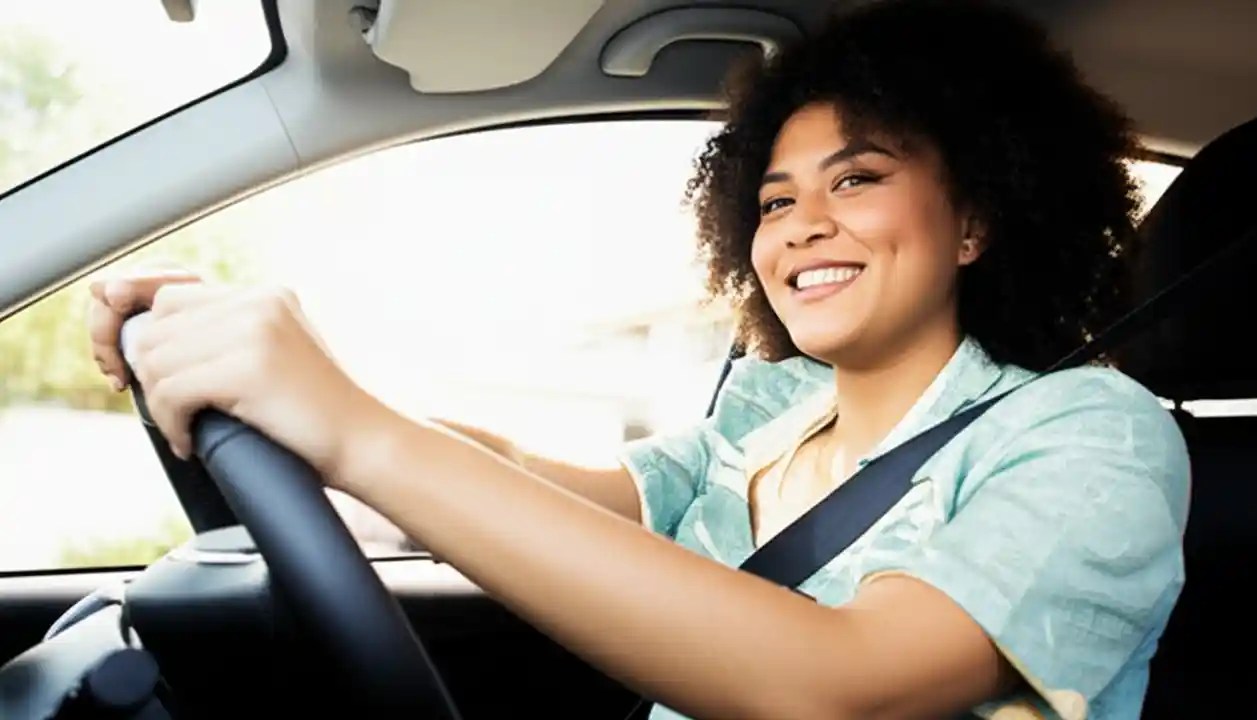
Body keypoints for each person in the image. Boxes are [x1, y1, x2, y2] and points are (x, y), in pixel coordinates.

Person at [87, 0, 1190, 717]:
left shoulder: (1092, 438)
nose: (799, 224)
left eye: (854, 179)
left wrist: (355, 432)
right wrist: (282, 378)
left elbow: (838, 689)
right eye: (773, 198)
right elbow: (547, 491)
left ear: (974, 223)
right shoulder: (774, 408)